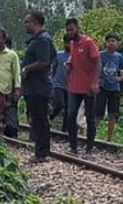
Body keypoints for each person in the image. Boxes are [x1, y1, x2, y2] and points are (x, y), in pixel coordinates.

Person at [21, 10, 57, 162]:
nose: (25, 25)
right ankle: (41, 151)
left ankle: (42, 153)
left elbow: (44, 61)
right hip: (34, 86)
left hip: (39, 87)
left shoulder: (42, 40)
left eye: (27, 22)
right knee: (37, 119)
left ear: (35, 22)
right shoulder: (38, 39)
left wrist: (27, 68)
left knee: (40, 119)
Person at [63, 17, 101, 155]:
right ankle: (73, 147)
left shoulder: (88, 42)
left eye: (72, 29)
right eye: (68, 30)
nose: (69, 32)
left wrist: (95, 82)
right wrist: (69, 67)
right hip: (74, 86)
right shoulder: (72, 44)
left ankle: (89, 149)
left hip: (88, 86)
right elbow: (73, 61)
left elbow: (98, 62)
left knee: (90, 117)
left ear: (78, 28)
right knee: (71, 115)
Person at [96, 32, 123, 142]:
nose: (111, 43)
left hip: (114, 88)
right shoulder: (100, 55)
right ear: (105, 43)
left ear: (117, 43)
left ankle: (109, 139)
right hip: (102, 87)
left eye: (113, 41)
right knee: (98, 114)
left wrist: (121, 78)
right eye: (109, 41)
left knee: (112, 114)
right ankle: (93, 135)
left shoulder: (118, 56)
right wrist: (97, 79)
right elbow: (94, 67)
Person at [51, 34, 72, 130]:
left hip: (70, 85)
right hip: (58, 84)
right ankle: (51, 116)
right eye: (67, 43)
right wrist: (53, 81)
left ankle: (65, 129)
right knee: (60, 105)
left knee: (69, 109)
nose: (68, 45)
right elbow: (54, 68)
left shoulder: (75, 56)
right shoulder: (58, 55)